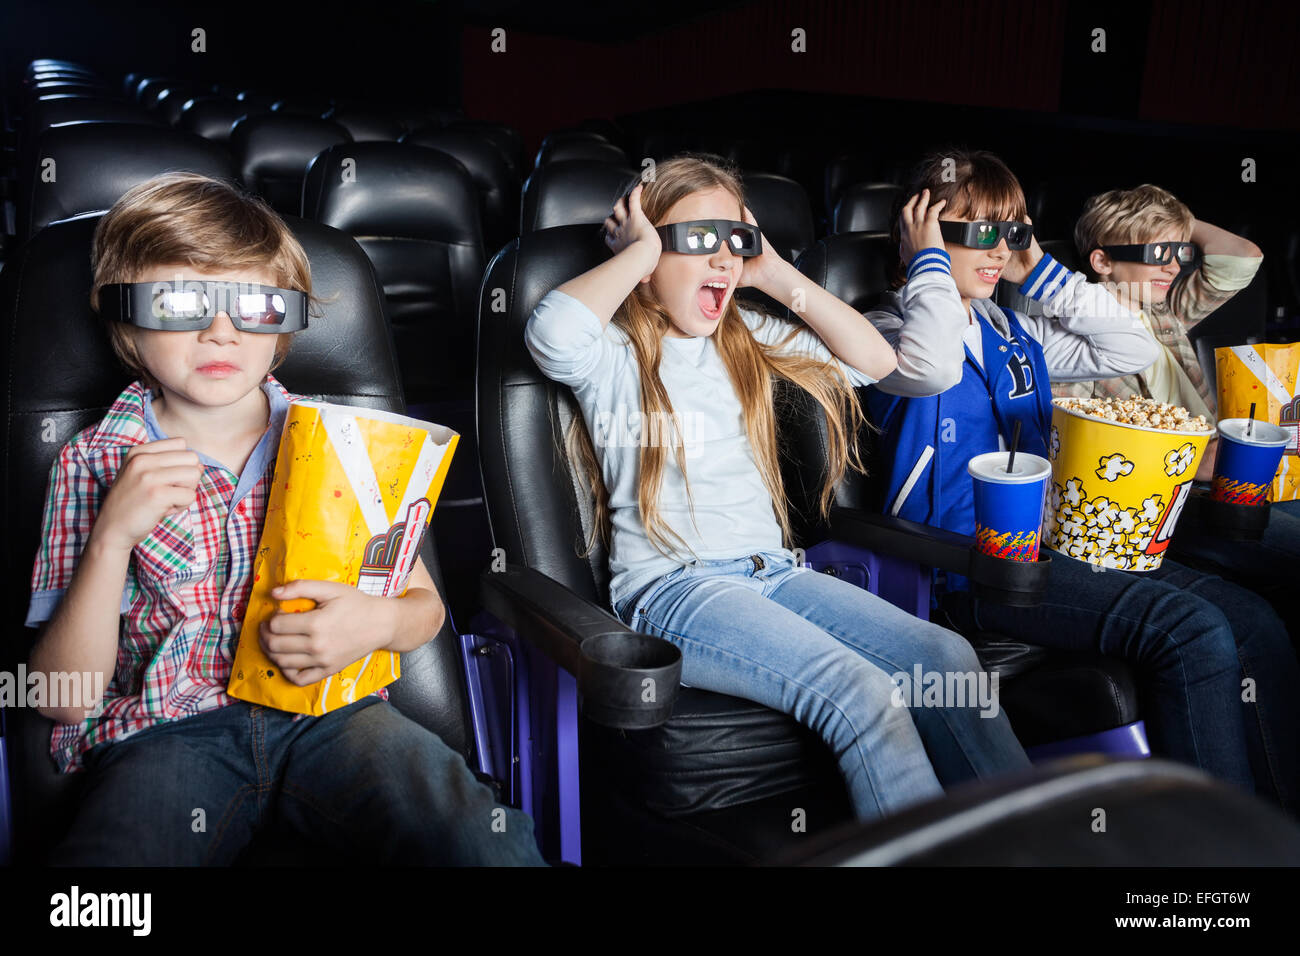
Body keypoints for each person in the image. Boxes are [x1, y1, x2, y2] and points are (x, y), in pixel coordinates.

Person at [24, 172, 546, 866]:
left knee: (480, 842)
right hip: (170, 736)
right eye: (180, 302)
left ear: (283, 330)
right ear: (126, 320)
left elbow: (423, 608)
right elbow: (61, 698)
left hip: (336, 719)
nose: (220, 331)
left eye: (256, 306)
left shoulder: (345, 447)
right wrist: (111, 538)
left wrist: (378, 622)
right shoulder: (91, 463)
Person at [524, 154, 1031, 824]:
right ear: (646, 259)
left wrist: (771, 270)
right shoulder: (614, 352)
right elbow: (550, 333)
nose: (724, 260)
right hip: (677, 587)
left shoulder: (746, 335)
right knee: (863, 691)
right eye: (697, 240)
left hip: (776, 574)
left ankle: (1030, 842)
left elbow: (881, 362)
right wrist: (641, 250)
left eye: (735, 241)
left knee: (946, 658)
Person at [864, 149, 1299, 815]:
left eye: (1011, 231)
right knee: (1191, 629)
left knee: (1254, 622)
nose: (997, 248)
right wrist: (925, 261)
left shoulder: (1010, 330)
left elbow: (1131, 346)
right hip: (971, 567)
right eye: (977, 230)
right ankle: (1217, 847)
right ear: (918, 233)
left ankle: (1273, 829)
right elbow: (935, 361)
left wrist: (1033, 266)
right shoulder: (885, 332)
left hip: (1056, 544)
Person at [1059, 186, 1300, 638]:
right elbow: (1087, 467)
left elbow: (1243, 256)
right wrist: (1205, 463)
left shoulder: (1165, 312)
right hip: (1179, 503)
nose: (1173, 264)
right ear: (1102, 261)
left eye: (1179, 251)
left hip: (1231, 481)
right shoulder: (1074, 341)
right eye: (1157, 251)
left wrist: (1170, 214)